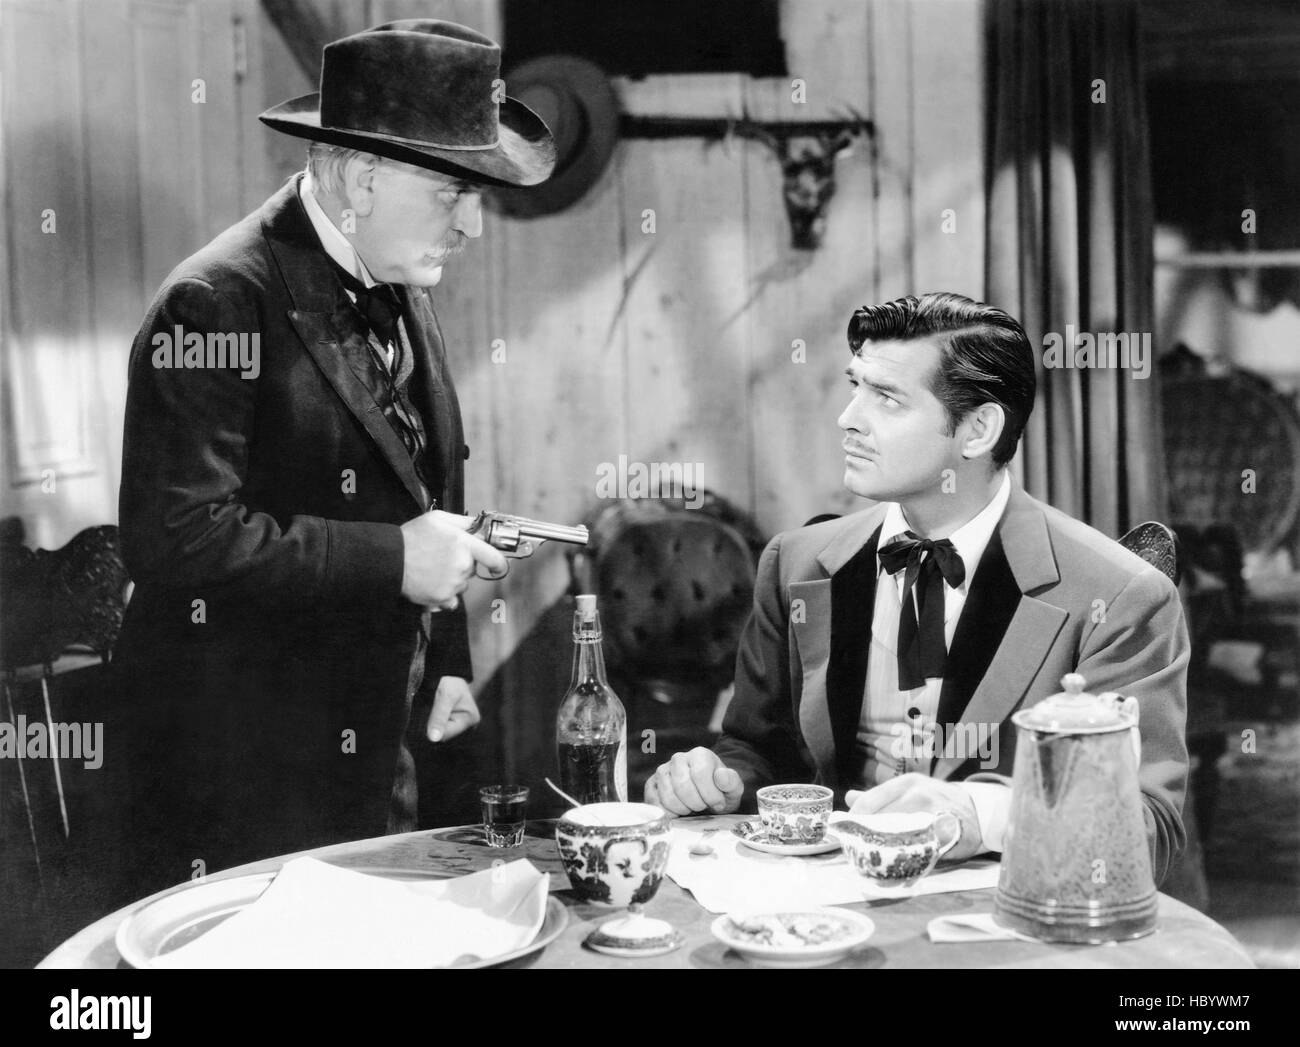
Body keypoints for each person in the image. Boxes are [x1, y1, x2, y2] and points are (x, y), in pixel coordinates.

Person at [111, 20, 555, 893]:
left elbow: (419, 488)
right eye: (454, 191)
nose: (473, 223)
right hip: (240, 772)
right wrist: (396, 560)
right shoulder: (213, 301)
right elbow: (175, 536)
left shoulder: (395, 266)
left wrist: (449, 663)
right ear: (361, 177)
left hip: (372, 743)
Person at [645, 293, 1189, 884]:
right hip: (822, 909)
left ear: (978, 430)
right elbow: (755, 749)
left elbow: (1146, 830)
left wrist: (979, 817)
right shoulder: (796, 565)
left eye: (887, 398)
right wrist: (716, 781)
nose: (849, 418)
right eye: (856, 386)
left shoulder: (1121, 596)